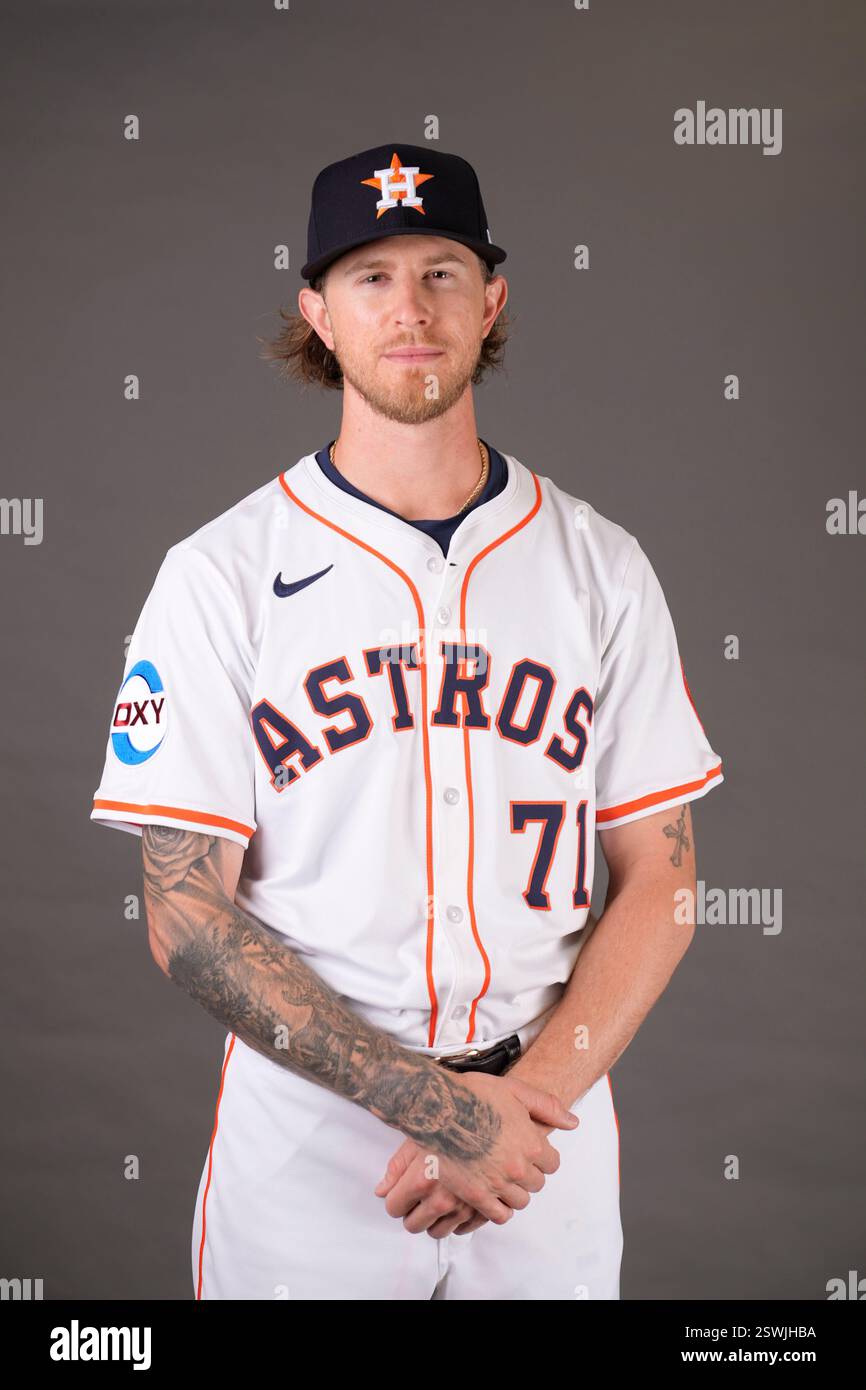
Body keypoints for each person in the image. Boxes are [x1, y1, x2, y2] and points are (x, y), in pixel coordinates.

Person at [91, 142, 724, 1299]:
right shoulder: (217, 575)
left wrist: (519, 1109)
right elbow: (184, 912)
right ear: (316, 314)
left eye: (440, 271)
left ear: (490, 303)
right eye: (369, 277)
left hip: (546, 1133)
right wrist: (434, 1109)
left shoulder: (600, 567)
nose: (410, 308)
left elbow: (663, 879)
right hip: (310, 1142)